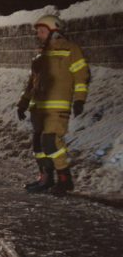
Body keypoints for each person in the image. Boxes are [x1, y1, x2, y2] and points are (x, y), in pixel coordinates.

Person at [16, 14, 90, 196]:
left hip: (57, 108)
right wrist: (23, 102)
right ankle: (45, 179)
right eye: (38, 32)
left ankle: (65, 179)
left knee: (51, 142)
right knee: (38, 146)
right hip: (38, 108)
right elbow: (32, 83)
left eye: (42, 31)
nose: (39, 35)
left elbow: (82, 76)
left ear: (54, 31)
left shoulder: (70, 50)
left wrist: (80, 99)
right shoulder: (40, 56)